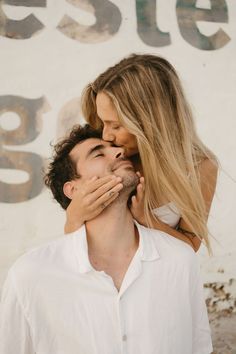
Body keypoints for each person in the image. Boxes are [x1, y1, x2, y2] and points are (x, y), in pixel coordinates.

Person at [0, 124, 213, 354]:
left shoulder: (179, 260)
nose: (119, 152)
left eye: (116, 148)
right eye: (99, 153)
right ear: (73, 189)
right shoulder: (30, 275)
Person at [65, 54, 218, 254]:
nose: (106, 135)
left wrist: (148, 220)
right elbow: (75, 247)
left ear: (150, 121)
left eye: (116, 125)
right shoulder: (113, 158)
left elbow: (190, 246)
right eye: (103, 123)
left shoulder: (201, 167)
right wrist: (73, 218)